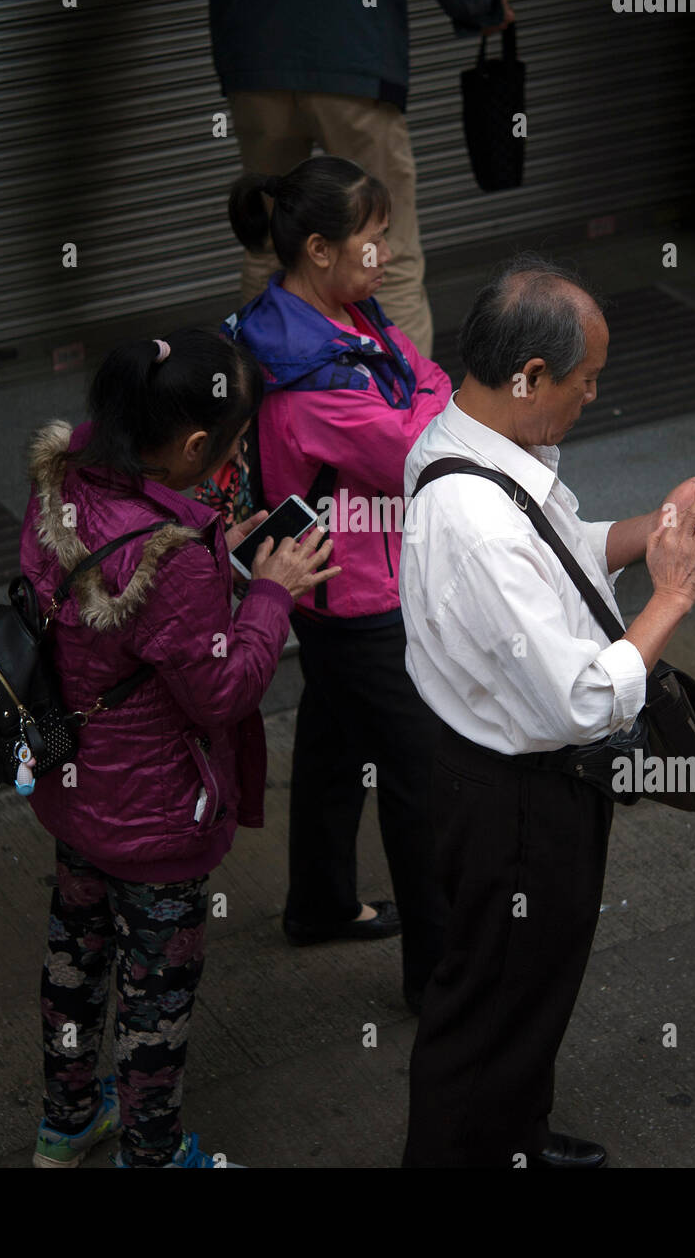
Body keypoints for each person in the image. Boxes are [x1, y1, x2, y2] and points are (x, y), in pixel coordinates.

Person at [398, 253, 695, 1168]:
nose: (594, 396)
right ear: (530, 376)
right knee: (492, 1001)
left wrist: (655, 530)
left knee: (532, 987)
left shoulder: (474, 446)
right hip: (516, 795)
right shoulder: (472, 520)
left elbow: (564, 558)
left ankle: (513, 1137)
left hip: (521, 781)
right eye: (586, 379)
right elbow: (584, 696)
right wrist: (671, 593)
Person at [21, 330, 337, 1170]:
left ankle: (65, 1121)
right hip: (158, 819)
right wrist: (270, 593)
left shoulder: (65, 486)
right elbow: (223, 691)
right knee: (155, 995)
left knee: (75, 958)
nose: (235, 461)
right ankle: (153, 1157)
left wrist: (215, 554)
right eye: (233, 446)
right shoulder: (181, 564)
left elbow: (120, 613)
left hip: (75, 790)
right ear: (196, 446)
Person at [226, 154, 451, 1014]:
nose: (385, 254)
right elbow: (411, 454)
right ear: (318, 248)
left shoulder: (320, 319)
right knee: (418, 782)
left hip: (325, 589)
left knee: (330, 743)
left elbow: (420, 377)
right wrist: (430, 409)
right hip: (359, 597)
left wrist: (422, 401)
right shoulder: (310, 375)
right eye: (371, 239)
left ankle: (319, 902)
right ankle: (438, 985)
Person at [167, 0, 515, 358]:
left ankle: (253, 409)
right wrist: (482, 6)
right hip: (355, 64)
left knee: (269, 244)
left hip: (257, 65)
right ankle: (406, 422)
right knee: (385, 253)